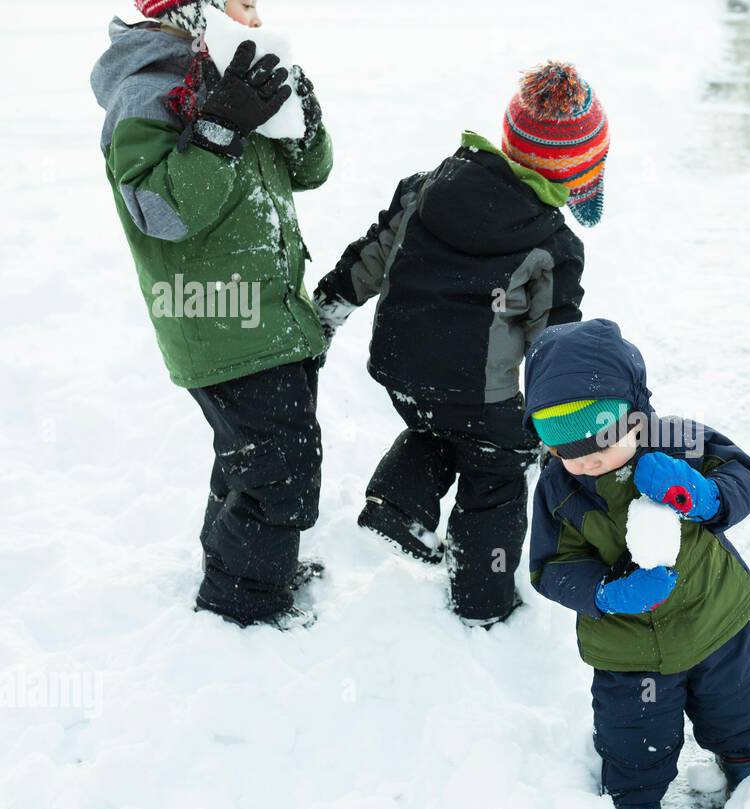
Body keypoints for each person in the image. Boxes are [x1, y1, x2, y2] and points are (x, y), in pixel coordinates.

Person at [312, 62, 608, 626]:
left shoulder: (428, 186)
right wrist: (566, 427)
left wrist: (329, 308)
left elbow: (372, 254)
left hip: (401, 370)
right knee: (495, 472)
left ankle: (397, 504)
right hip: (482, 391)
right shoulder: (553, 244)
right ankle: (483, 600)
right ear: (575, 172)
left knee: (436, 425)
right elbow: (556, 347)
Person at [91, 0, 333, 627]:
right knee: (282, 469)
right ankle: (242, 607)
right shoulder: (147, 90)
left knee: (250, 461)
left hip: (273, 315)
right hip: (219, 322)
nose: (256, 16)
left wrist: (300, 110)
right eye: (242, 3)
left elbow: (312, 171)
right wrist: (217, 128)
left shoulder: (233, 70)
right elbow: (160, 211)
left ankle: (245, 566)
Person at [524, 319, 750, 809]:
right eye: (566, 453)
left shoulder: (676, 440)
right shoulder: (559, 490)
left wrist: (708, 497)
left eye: (601, 446)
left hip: (714, 616)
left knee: (737, 700)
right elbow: (550, 566)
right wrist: (604, 593)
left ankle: (740, 758)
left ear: (637, 416)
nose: (587, 462)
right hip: (628, 643)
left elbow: (746, 473)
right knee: (634, 730)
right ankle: (635, 795)